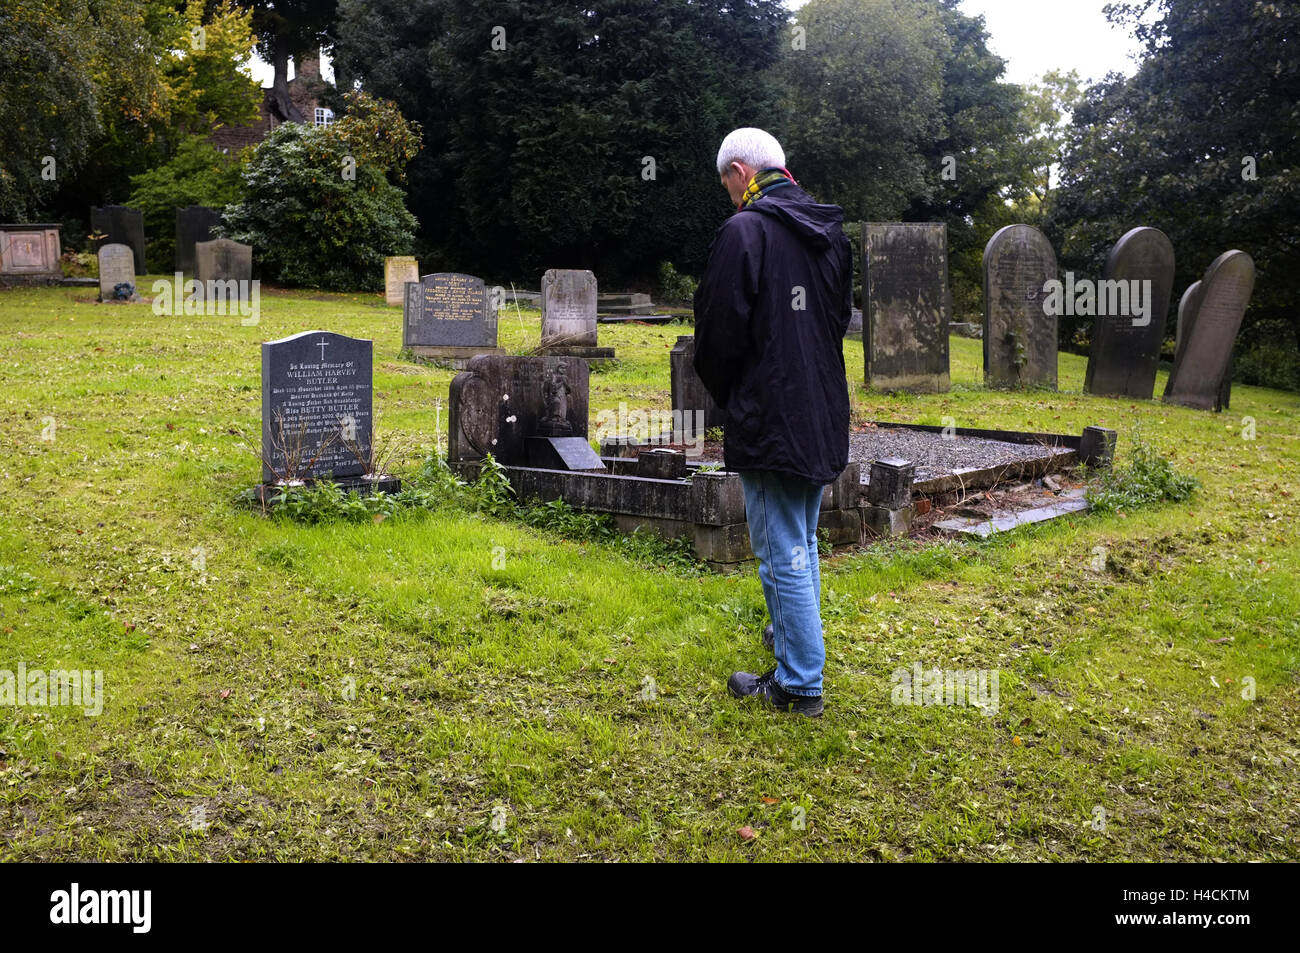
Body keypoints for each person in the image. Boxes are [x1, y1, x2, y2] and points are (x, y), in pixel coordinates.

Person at [693, 127, 852, 718]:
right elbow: (834, 323)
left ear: (740, 171)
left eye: (727, 186)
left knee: (779, 547)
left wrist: (735, 394)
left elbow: (718, 333)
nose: (730, 198)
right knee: (802, 539)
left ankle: (798, 684)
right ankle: (793, 640)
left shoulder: (746, 230)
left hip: (772, 412)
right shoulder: (830, 233)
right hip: (821, 407)